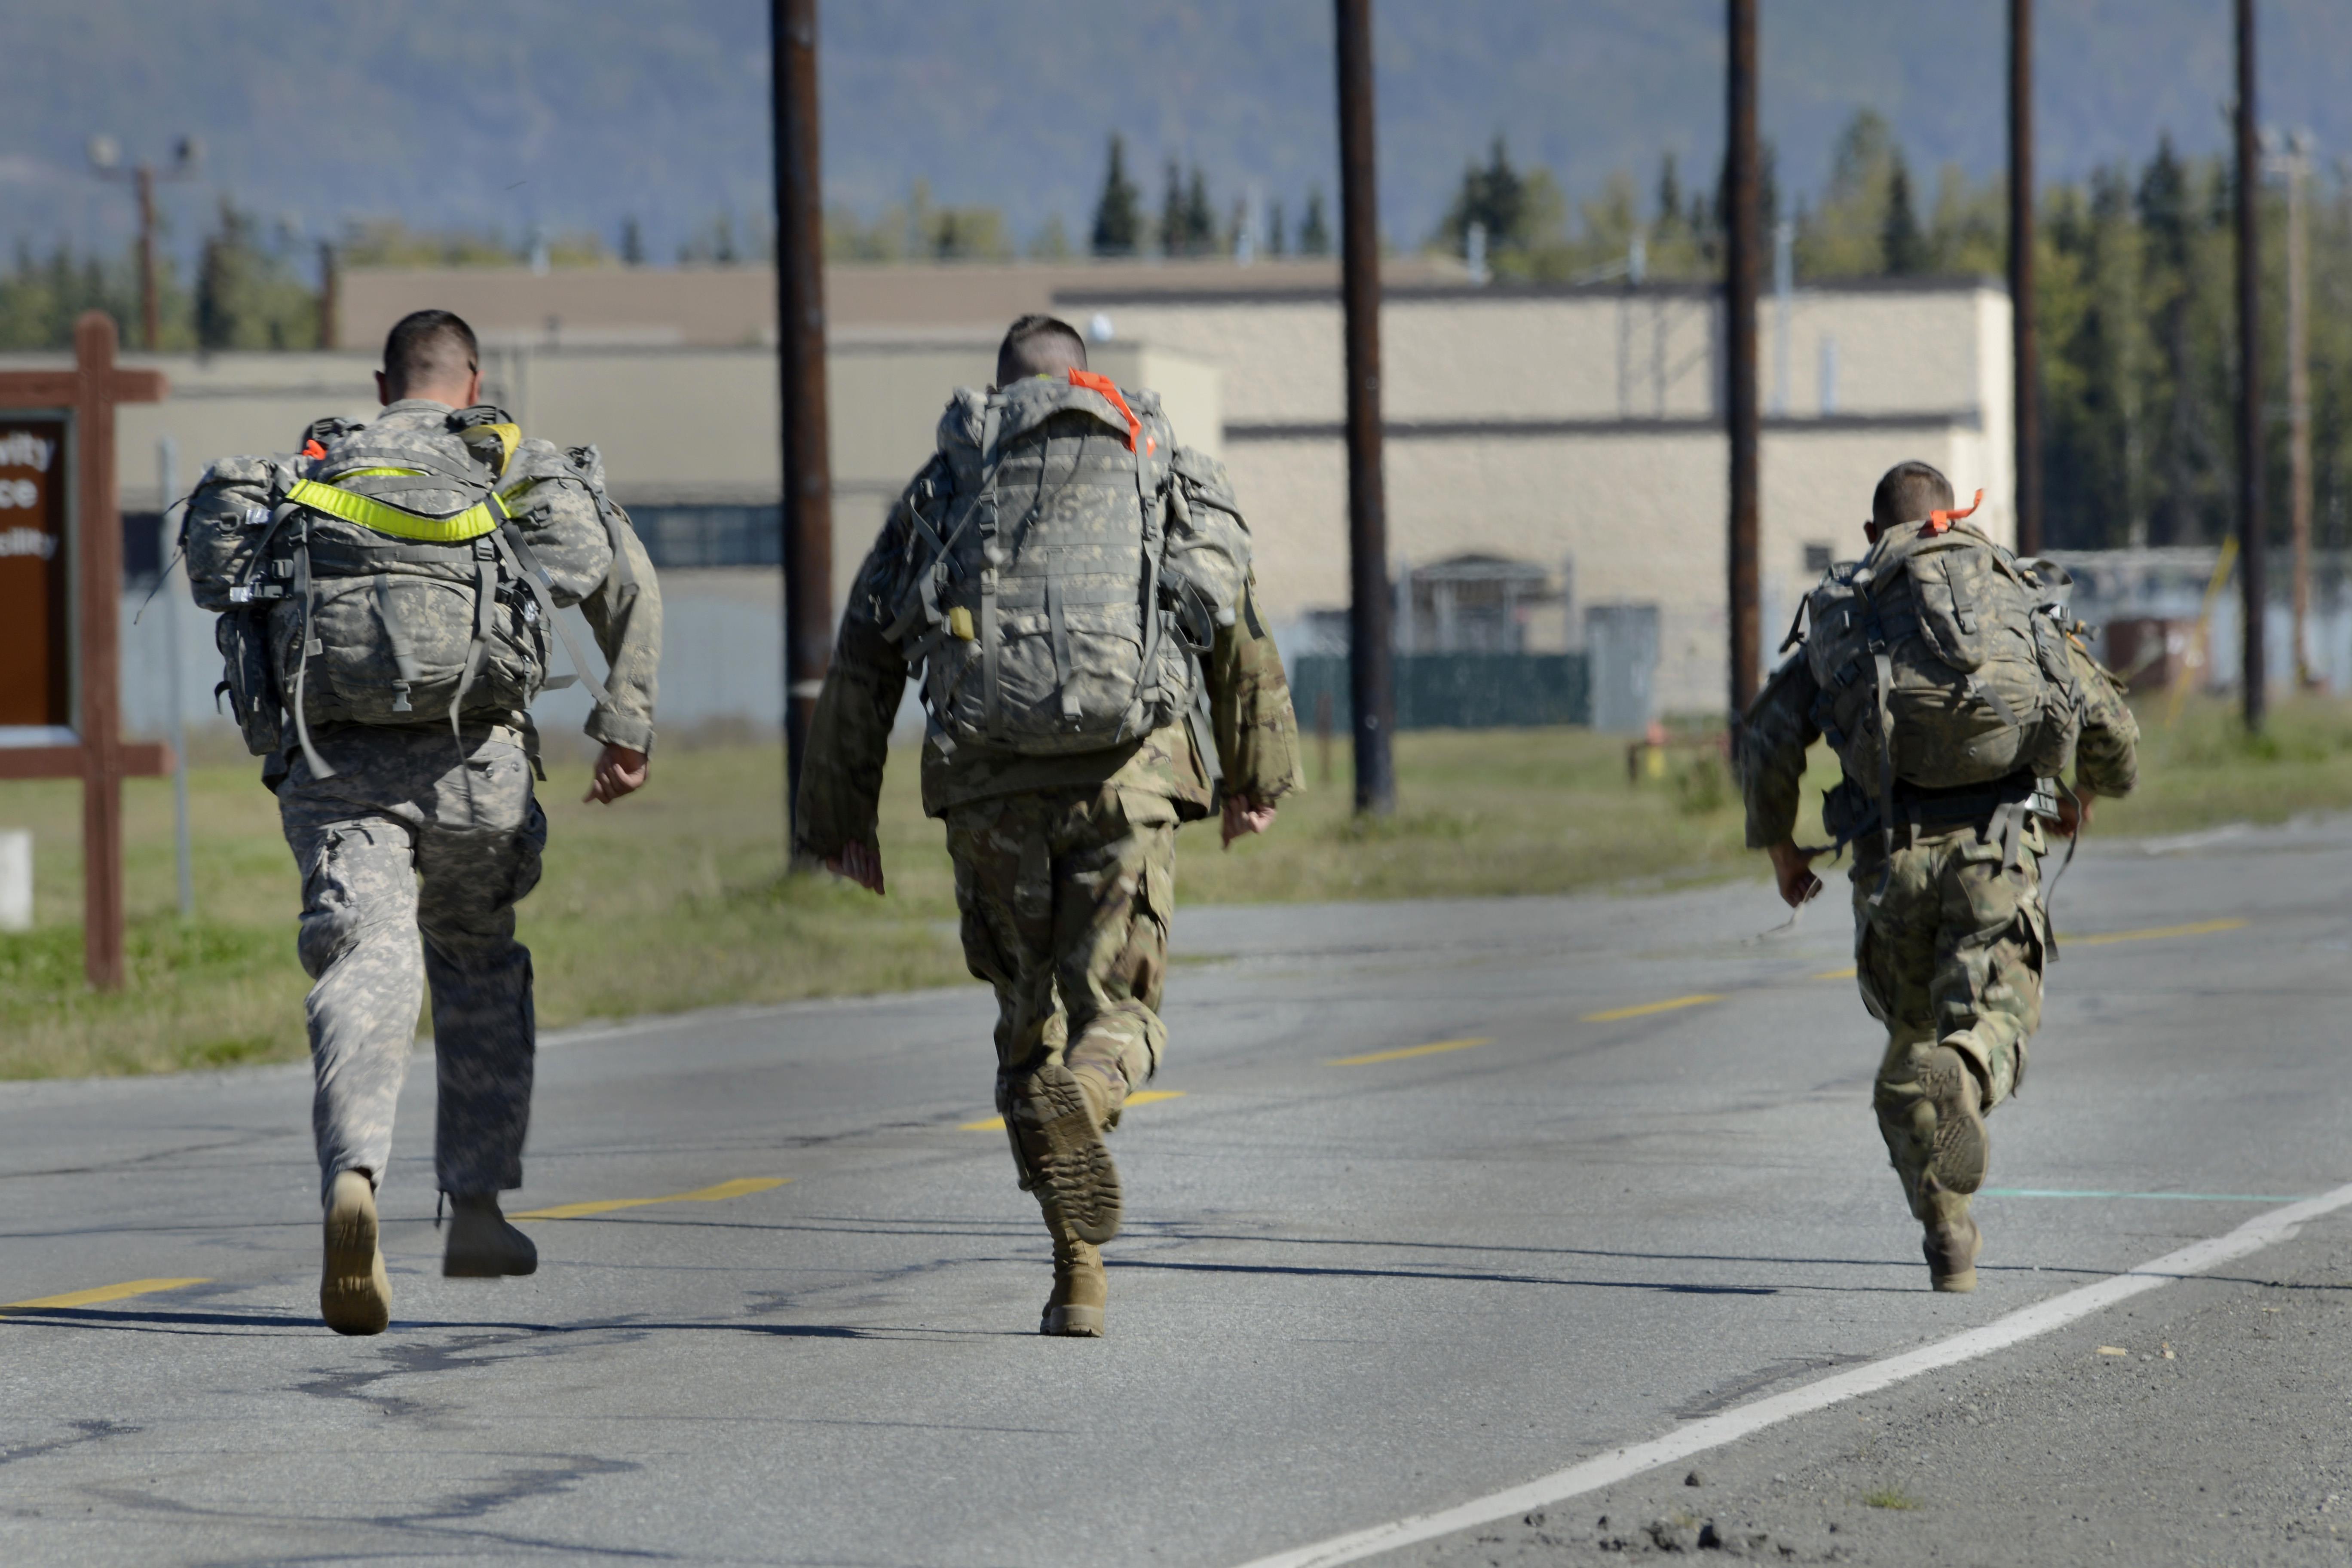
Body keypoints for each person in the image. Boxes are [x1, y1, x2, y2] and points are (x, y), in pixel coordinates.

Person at [795, 314, 1302, 1336]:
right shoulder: (1157, 465)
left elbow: (865, 653)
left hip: (988, 789)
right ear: (1085, 376)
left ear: (998, 389)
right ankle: (1097, 1090)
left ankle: (1078, 1270)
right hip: (1131, 776)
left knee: (1028, 1028)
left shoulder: (945, 486)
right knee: (1121, 1009)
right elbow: (1234, 621)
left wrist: (838, 817)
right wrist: (1257, 776)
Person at [183, 309, 662, 1334]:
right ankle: (480, 1209)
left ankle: (354, 1176)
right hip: (474, 767)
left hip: (332, 760)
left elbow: (232, 587)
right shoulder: (502, 457)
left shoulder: (318, 464)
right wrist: (624, 721)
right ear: (472, 377)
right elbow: (618, 578)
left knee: (365, 954)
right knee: (479, 956)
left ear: (382, 380)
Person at [1736, 460, 2138, 1292]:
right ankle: (1970, 1064)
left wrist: (1783, 852)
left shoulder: (1849, 610)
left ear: (1871, 531)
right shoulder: (2013, 600)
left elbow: (1768, 737)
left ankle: (1948, 1235)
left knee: (1902, 1066)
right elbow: (2114, 734)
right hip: (1996, 855)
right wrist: (2083, 797)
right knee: (1998, 1018)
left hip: (1890, 869)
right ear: (1954, 518)